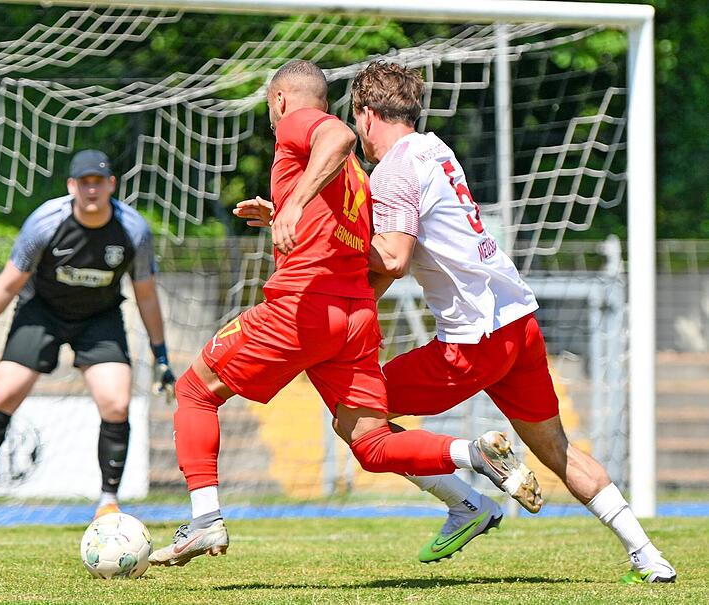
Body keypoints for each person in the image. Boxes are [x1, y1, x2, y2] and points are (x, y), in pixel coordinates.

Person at [237, 61, 675, 583]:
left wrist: (317, 242)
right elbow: (386, 258)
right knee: (557, 451)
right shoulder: (434, 149)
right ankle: (649, 557)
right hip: (519, 323)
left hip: (473, 342)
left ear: (366, 114)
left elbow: (393, 259)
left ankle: (469, 499)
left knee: (358, 423)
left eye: (355, 122)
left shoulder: (395, 167)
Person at [149, 60, 538, 569]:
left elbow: (335, 136)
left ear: (282, 101)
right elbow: (345, 234)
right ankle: (472, 457)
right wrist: (285, 208)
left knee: (195, 391)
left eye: (272, 107)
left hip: (303, 308)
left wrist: (291, 208)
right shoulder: (354, 178)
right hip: (352, 317)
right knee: (369, 441)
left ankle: (204, 521)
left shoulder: (309, 130)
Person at [0, 149, 176, 528]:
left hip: (99, 316)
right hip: (41, 312)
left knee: (116, 401)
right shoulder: (45, 222)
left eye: (99, 182)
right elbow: (8, 284)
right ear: (71, 186)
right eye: (84, 182)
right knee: (4, 393)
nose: (91, 189)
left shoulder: (134, 230)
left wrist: (161, 356)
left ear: (111, 185)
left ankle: (108, 503)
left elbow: (145, 293)